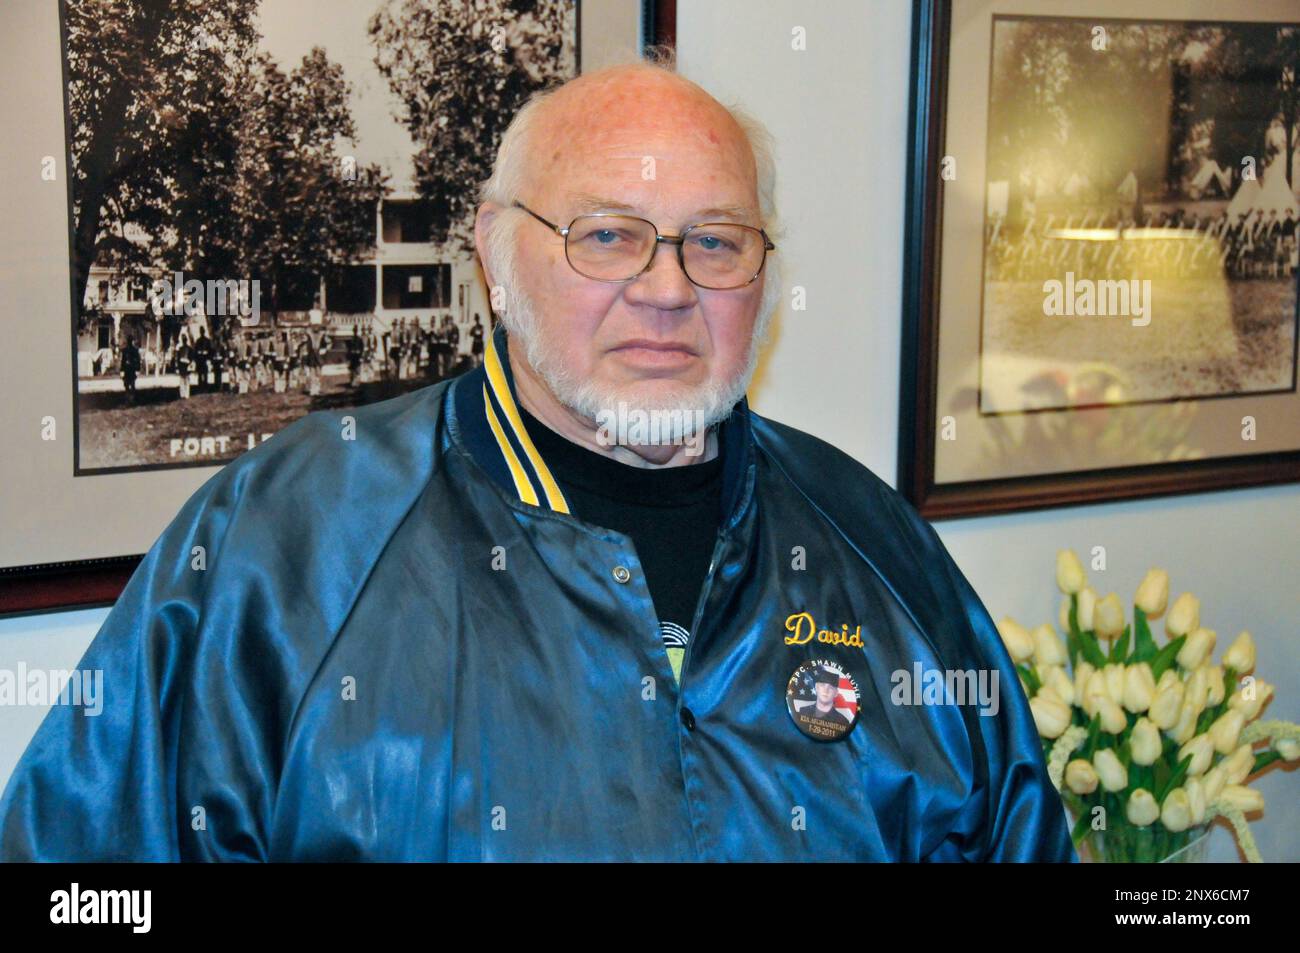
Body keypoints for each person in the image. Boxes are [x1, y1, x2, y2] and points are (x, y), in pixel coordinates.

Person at [0, 54, 1073, 862]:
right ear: (493, 258)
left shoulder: (878, 548)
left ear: (762, 274)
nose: (665, 287)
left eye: (714, 240)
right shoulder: (279, 544)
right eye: (605, 234)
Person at [120, 336, 141, 401]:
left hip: (132, 369)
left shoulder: (135, 350)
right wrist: (122, 370)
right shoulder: (125, 350)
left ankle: (132, 397)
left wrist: (137, 369)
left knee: (131, 383)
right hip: (128, 369)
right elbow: (123, 361)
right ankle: (128, 396)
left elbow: (137, 360)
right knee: (127, 383)